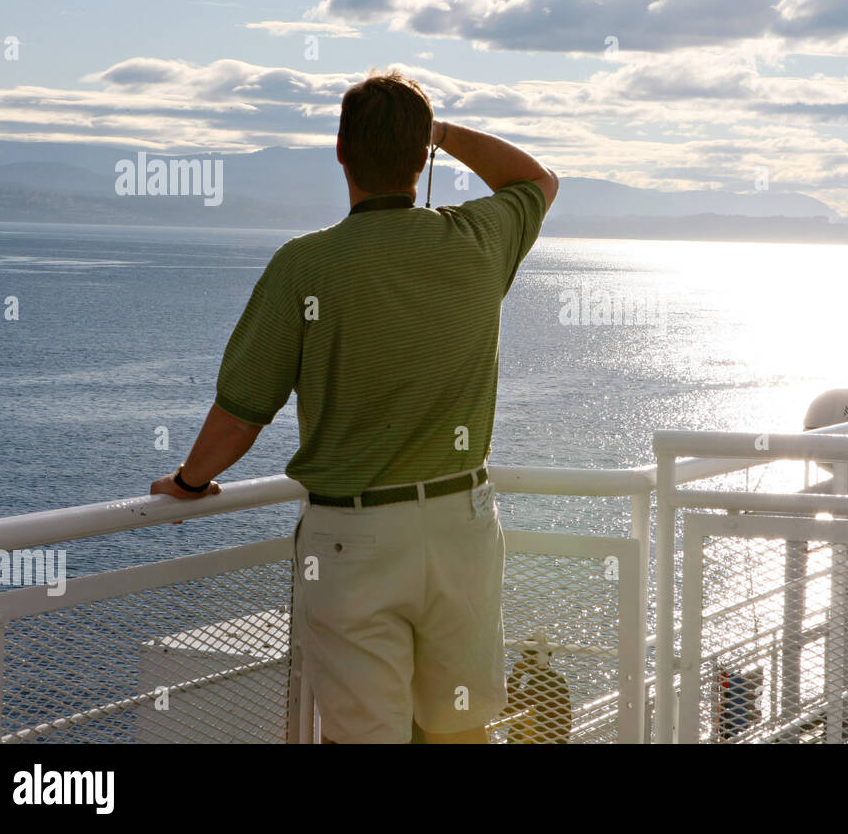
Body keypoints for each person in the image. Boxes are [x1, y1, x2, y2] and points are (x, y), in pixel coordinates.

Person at [150, 70, 559, 744]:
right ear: (422, 156)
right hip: (461, 525)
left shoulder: (305, 265)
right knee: (460, 729)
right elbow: (537, 180)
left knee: (365, 735)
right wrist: (441, 132)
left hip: (353, 539)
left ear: (341, 151)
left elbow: (242, 414)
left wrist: (190, 481)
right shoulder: (477, 239)